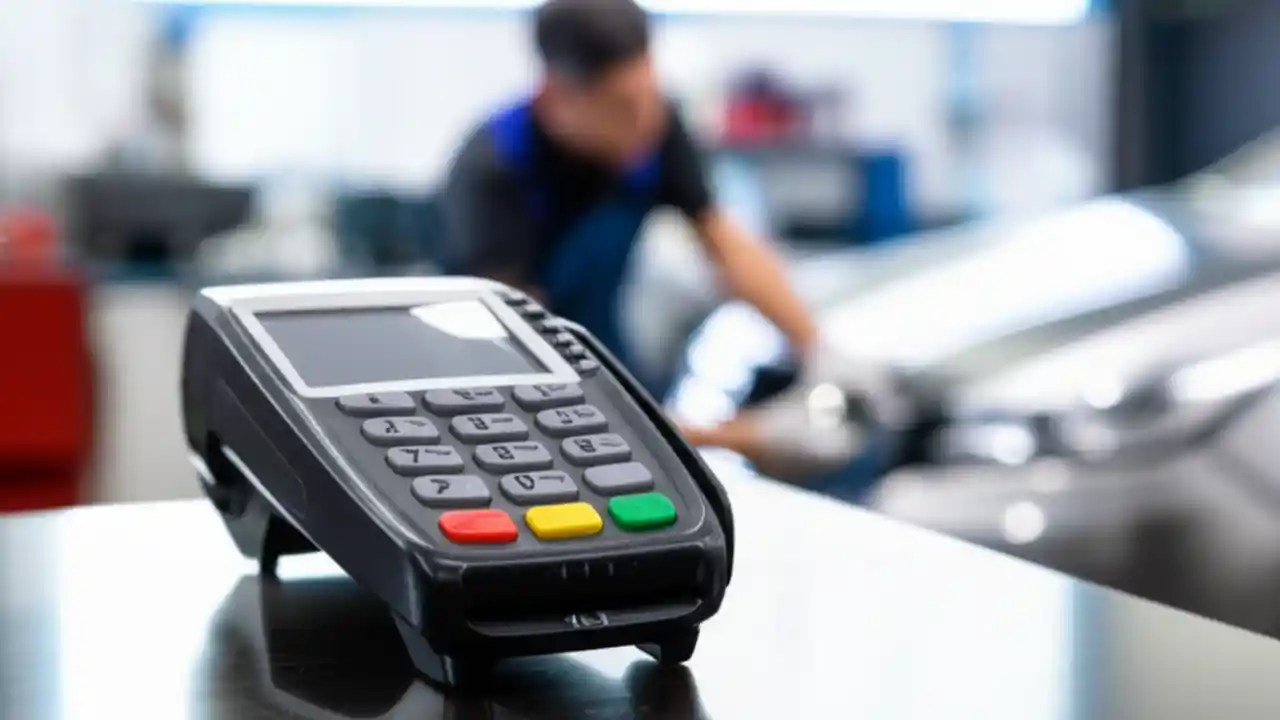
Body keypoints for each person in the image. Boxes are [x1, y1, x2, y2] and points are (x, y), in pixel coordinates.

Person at [443, 0, 817, 446]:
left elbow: (725, 244)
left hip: (607, 349)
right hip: (506, 375)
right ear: (557, 97)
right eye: (622, 106)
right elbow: (512, 336)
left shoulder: (654, 127)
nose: (646, 121)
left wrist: (816, 349)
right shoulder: (496, 166)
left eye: (650, 95)